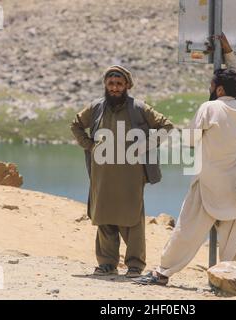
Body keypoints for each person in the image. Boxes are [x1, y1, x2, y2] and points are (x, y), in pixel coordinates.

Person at [134, 33, 236, 285]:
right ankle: (226, 279)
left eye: (211, 86)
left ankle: (162, 272)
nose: (210, 89)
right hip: (235, 185)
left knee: (187, 230)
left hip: (208, 182)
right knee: (230, 239)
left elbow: (189, 140)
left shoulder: (210, 108)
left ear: (218, 89)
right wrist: (229, 54)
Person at [70, 65, 174, 278]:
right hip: (102, 172)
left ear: (127, 85)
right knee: (104, 215)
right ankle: (107, 264)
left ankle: (135, 266)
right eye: (111, 84)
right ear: (105, 85)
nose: (115, 88)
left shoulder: (139, 108)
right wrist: (90, 146)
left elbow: (166, 126)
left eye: (119, 84)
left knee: (132, 217)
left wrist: (144, 145)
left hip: (131, 172)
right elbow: (76, 125)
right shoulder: (96, 107)